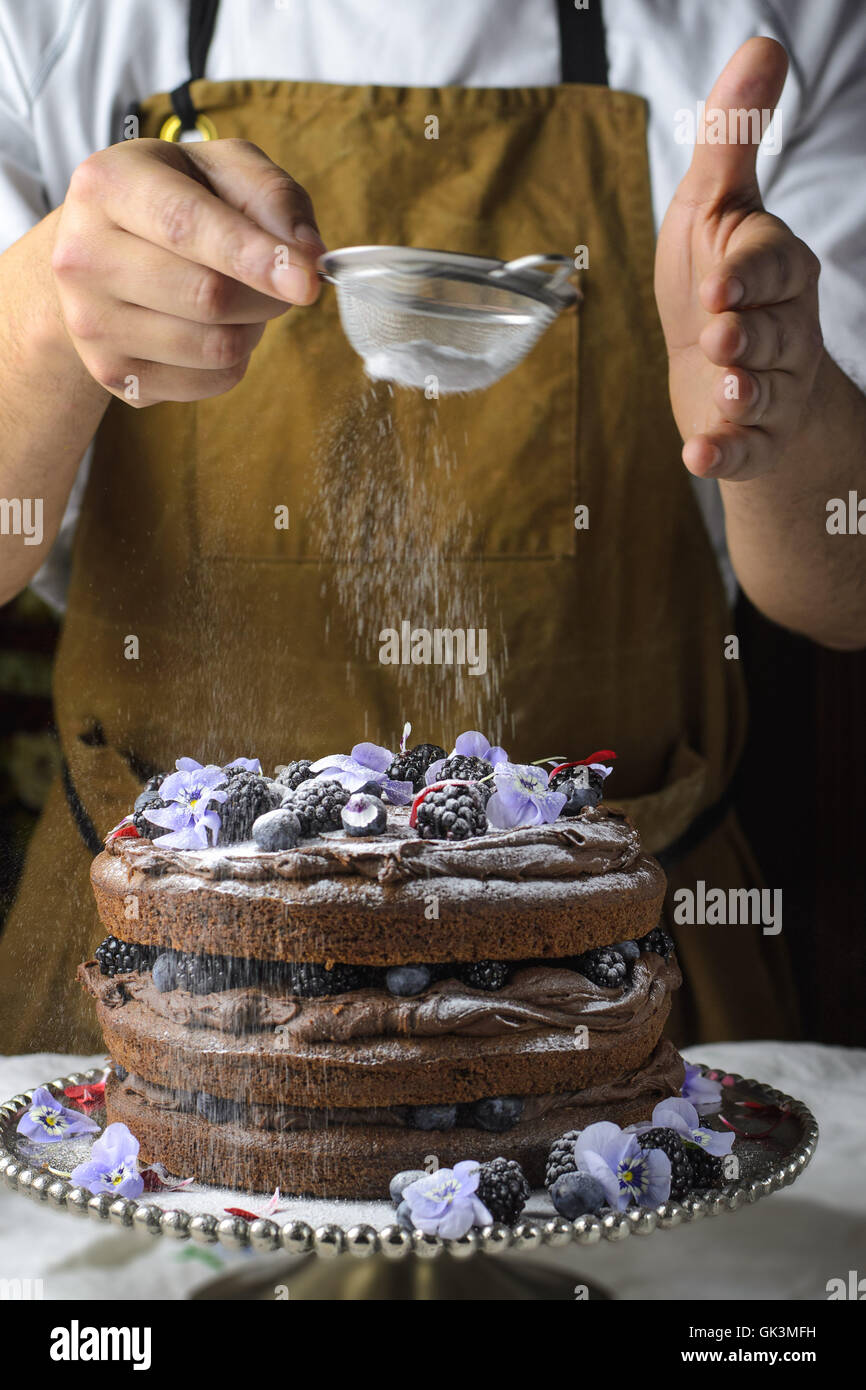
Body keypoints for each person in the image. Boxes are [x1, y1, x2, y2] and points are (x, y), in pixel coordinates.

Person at [0, 0, 864, 1053]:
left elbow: (844, 588)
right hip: (157, 979)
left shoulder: (772, 25)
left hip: (611, 988)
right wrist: (43, 320)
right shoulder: (54, 25)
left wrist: (779, 397)